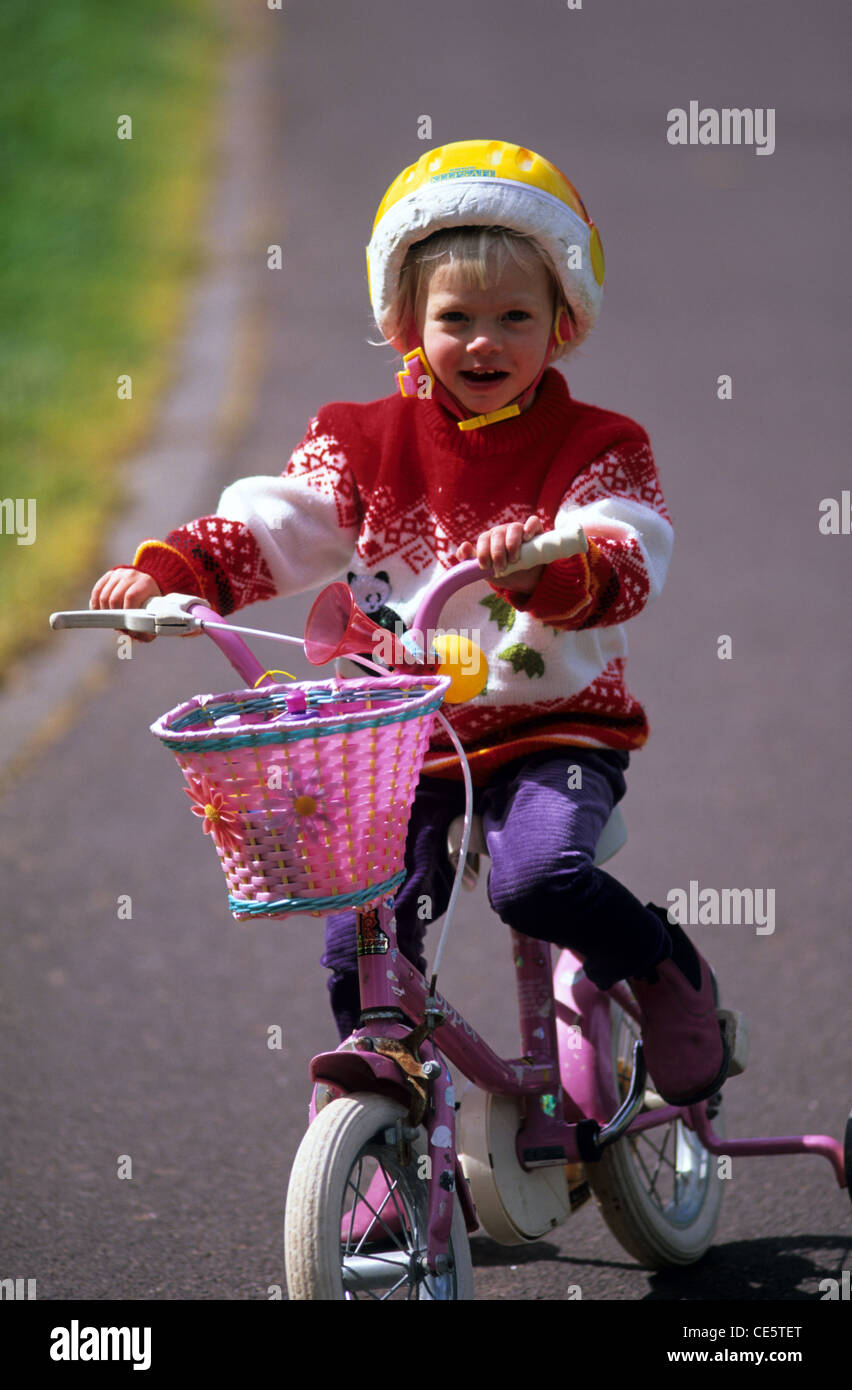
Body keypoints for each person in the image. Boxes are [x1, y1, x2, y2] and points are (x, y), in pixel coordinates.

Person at [91, 139, 729, 1107]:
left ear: (561, 325)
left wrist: (550, 561)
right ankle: (384, 1085)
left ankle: (658, 963)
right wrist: (171, 575)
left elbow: (626, 552)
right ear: (405, 326)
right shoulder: (362, 440)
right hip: (398, 739)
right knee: (359, 917)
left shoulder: (598, 445)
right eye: (455, 318)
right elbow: (281, 521)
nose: (485, 342)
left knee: (538, 880)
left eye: (515, 317)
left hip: (551, 725)